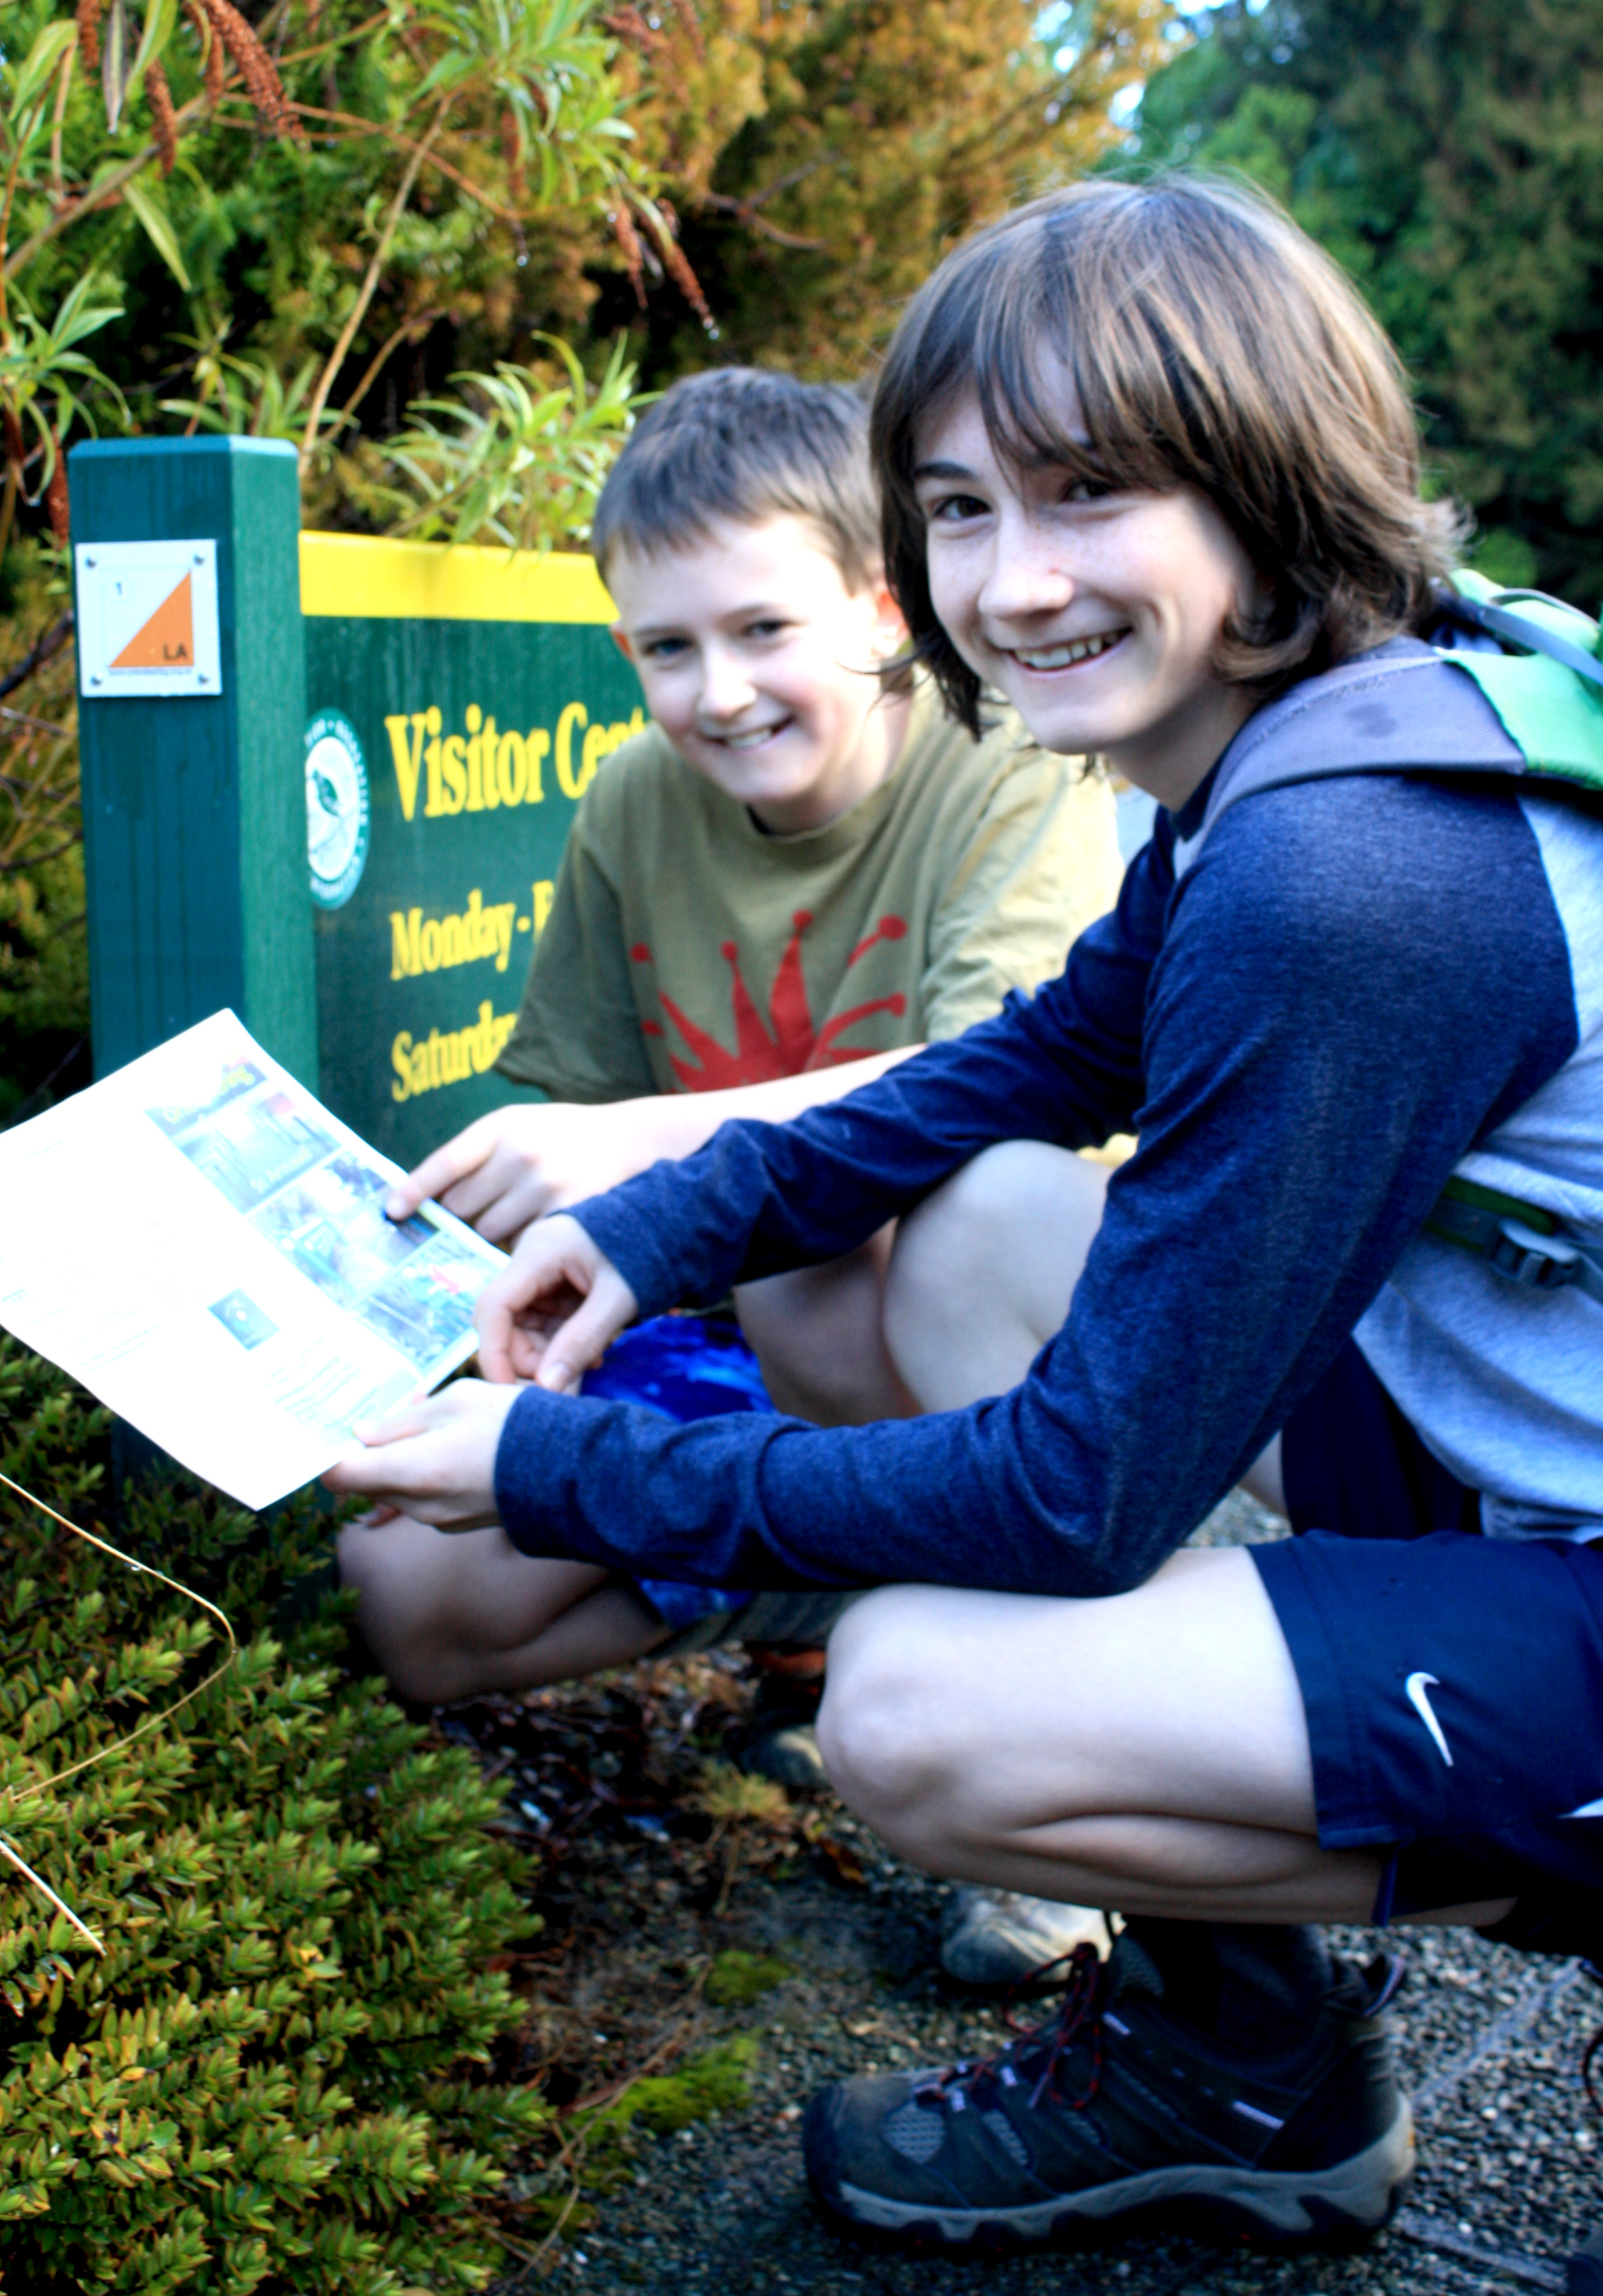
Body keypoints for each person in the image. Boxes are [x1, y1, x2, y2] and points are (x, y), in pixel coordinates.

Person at [328, 173, 1603, 2261]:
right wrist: (670, 1222)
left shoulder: (1349, 878)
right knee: (990, 1219)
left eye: (1090, 492)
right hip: (1525, 1465)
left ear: (1268, 474)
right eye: (958, 507)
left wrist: (559, 1463)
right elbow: (1022, 1072)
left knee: (920, 1711)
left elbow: (1080, 1500)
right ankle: (1248, 2050)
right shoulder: (1317, 745)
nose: (1013, 583)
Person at [344, 364, 1123, 1983]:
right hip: (741, 1358)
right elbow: (579, 1111)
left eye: (762, 630)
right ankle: (836, 1605)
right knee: (403, 1595)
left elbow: (1008, 1077)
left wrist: (639, 1144)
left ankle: (1063, 1715)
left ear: (884, 604)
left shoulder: (1007, 767)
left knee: (817, 1251)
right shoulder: (639, 802)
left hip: (984, 1331)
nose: (716, 694)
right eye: (665, 649)